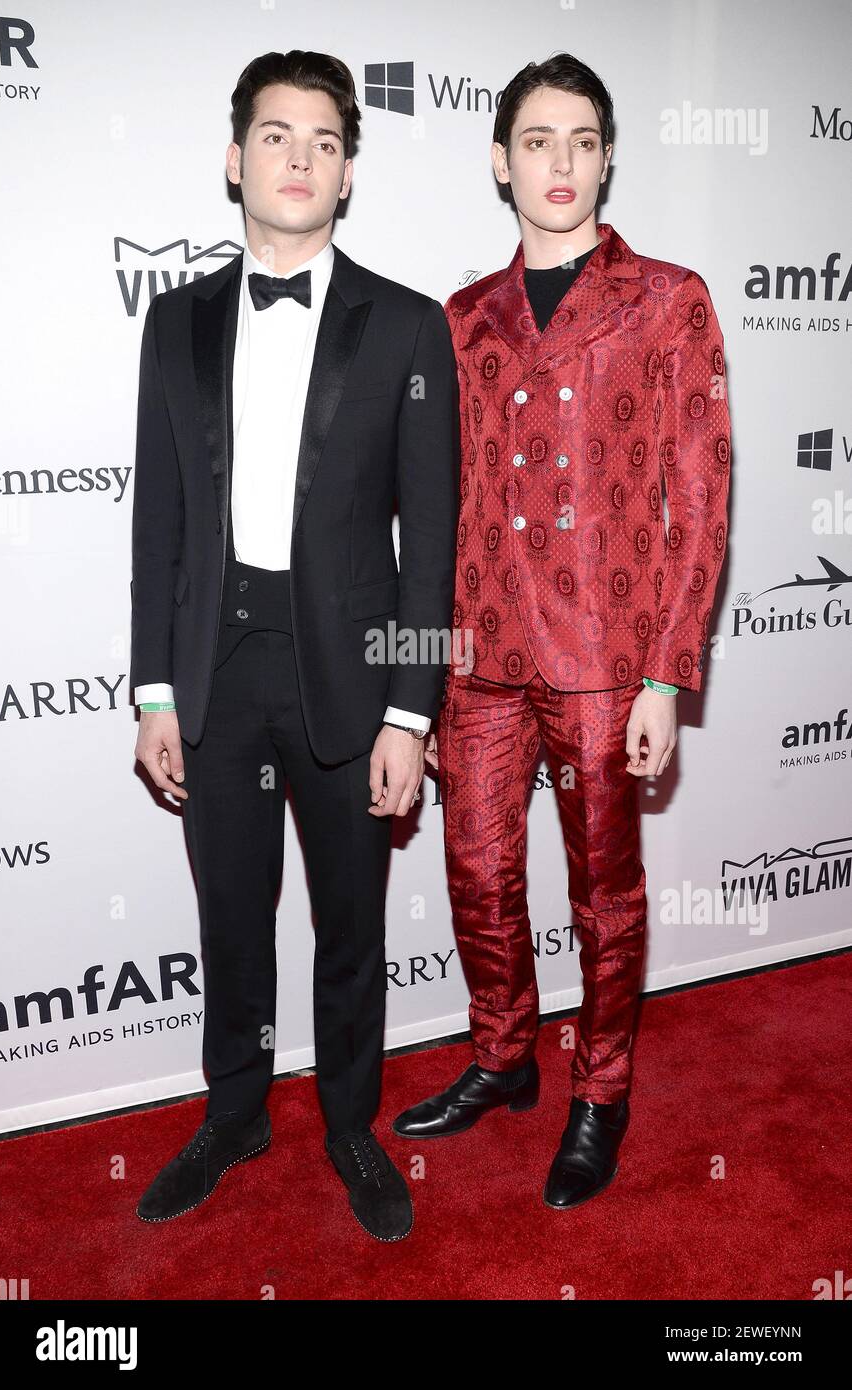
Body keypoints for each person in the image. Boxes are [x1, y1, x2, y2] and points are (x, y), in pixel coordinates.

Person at [130, 49, 459, 1241]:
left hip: (353, 670)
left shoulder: (409, 326)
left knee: (351, 923)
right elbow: (158, 518)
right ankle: (233, 1112)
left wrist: (410, 712)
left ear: (349, 171)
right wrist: (155, 686)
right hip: (215, 664)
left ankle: (350, 1124)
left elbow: (435, 547)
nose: (299, 158)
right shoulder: (175, 322)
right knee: (230, 912)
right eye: (276, 135)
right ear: (235, 157)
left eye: (323, 140)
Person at [393, 53, 731, 1211]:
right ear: (499, 160)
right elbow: (428, 510)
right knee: (479, 874)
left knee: (604, 893)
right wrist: (423, 677)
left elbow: (702, 496)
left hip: (601, 657)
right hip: (478, 655)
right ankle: (501, 1057)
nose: (561, 163)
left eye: (582, 141)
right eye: (537, 140)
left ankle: (600, 1090)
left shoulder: (666, 297)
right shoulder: (459, 319)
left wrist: (662, 676)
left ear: (606, 158)